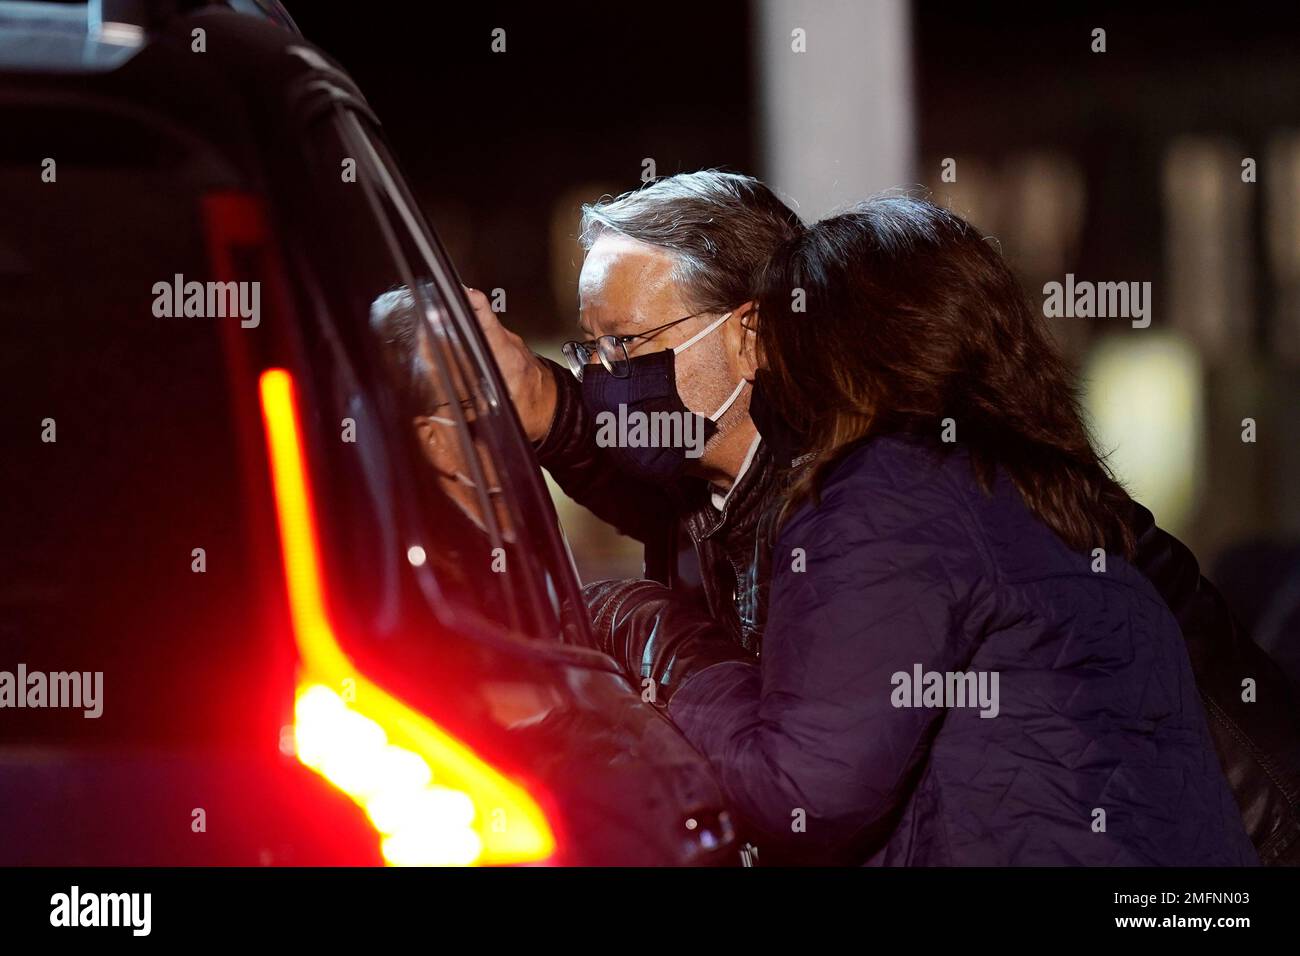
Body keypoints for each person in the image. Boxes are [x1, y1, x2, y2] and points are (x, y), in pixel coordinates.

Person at [468, 171, 1300, 863]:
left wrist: (643, 628)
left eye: (631, 345)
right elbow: (701, 495)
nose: (614, 377)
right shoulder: (981, 468)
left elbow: (810, 785)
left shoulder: (887, 491)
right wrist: (546, 408)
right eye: (594, 351)